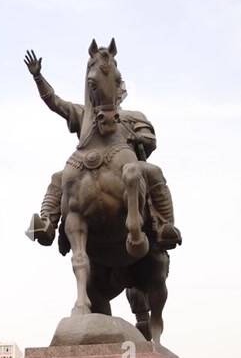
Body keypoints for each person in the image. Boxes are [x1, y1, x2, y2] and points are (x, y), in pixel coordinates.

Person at [23, 48, 181, 251]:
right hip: (88, 168)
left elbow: (150, 141)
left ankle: (164, 225)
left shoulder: (133, 116)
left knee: (154, 172)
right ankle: (47, 223)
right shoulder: (84, 115)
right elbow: (54, 102)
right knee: (57, 178)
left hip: (126, 165)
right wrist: (37, 77)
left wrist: (135, 137)